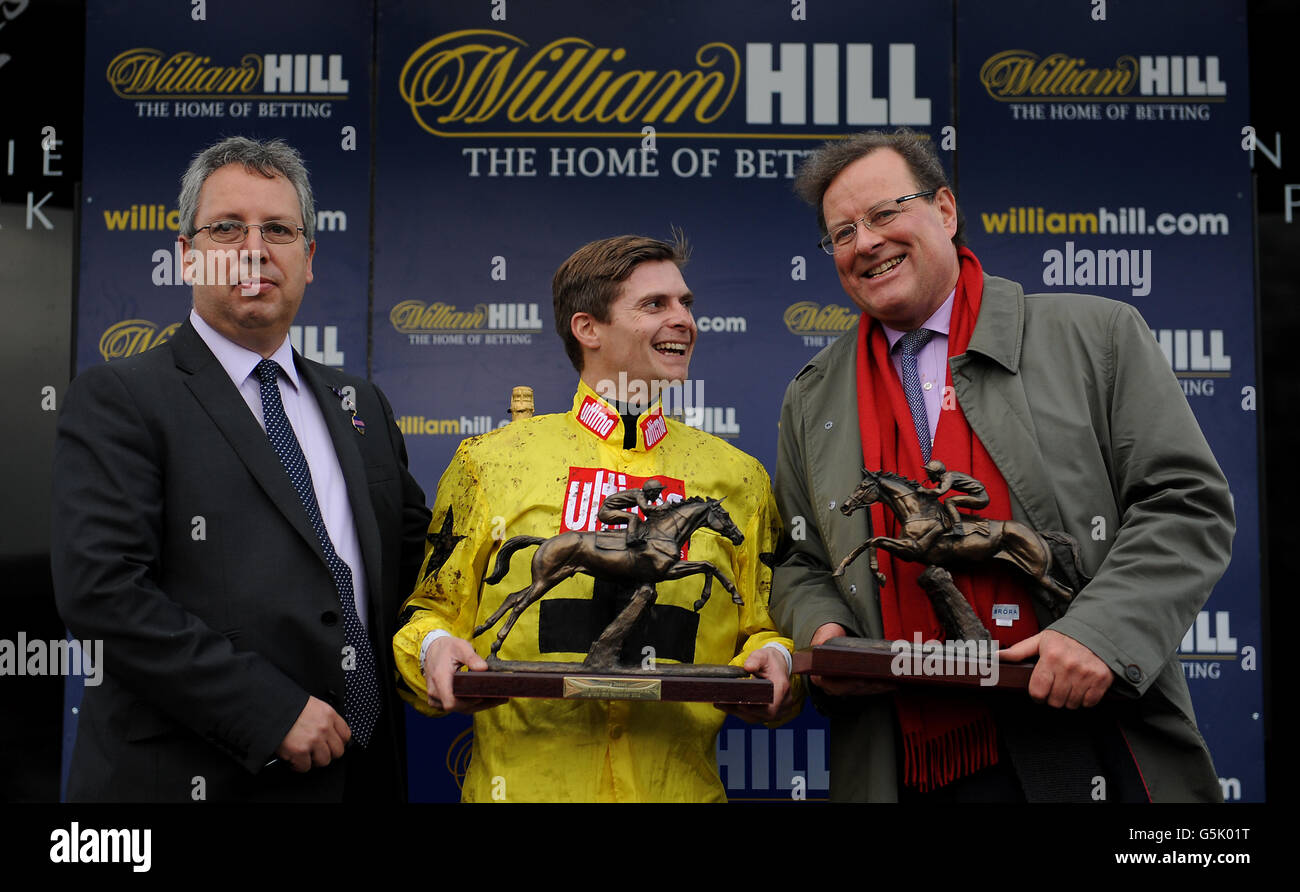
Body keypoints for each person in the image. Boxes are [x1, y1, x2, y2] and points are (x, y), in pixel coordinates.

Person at [771, 129, 1233, 802]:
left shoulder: (1095, 335)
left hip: (1083, 732)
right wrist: (827, 634)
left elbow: (1184, 504)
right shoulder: (811, 395)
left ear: (947, 211)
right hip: (900, 759)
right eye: (841, 233)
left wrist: (1098, 634)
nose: (865, 242)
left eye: (884, 214)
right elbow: (798, 558)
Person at [51, 137, 431, 802]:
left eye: (279, 229)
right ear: (185, 256)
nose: (255, 249)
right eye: (227, 227)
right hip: (192, 778)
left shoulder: (360, 404)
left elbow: (416, 567)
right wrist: (270, 711)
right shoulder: (121, 398)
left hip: (362, 777)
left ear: (308, 260)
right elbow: (104, 593)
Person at [394, 234, 796, 802]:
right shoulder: (489, 461)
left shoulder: (740, 476)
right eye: (655, 305)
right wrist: (433, 648)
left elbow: (764, 626)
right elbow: (428, 614)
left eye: (686, 303)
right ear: (588, 329)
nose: (683, 319)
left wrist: (778, 658)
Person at [597, 478, 668, 548]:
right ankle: (630, 538)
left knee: (639, 522)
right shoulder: (640, 495)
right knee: (633, 517)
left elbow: (646, 513)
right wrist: (661, 507)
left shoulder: (642, 497)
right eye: (657, 493)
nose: (658, 496)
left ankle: (621, 535)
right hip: (606, 512)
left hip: (608, 511)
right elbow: (645, 507)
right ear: (651, 492)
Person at [923, 459, 988, 533]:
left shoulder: (948, 476)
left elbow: (940, 491)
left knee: (949, 501)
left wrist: (924, 490)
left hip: (980, 498)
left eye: (929, 473)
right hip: (976, 496)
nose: (928, 475)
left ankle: (958, 528)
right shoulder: (944, 479)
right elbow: (935, 492)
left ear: (936, 473)